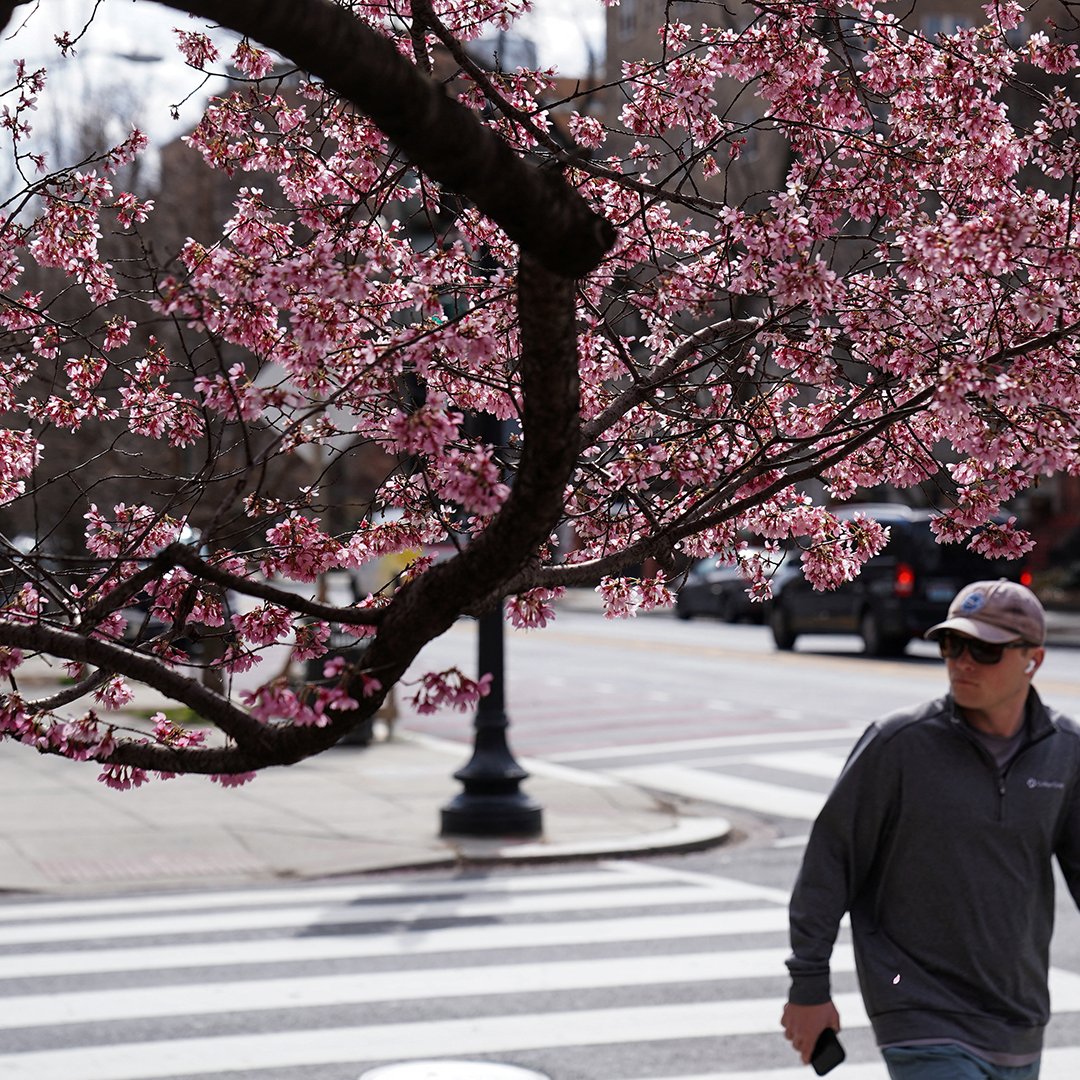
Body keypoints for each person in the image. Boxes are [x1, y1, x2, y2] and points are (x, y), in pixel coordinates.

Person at [780, 579, 1080, 1079]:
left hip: (1018, 1012)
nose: (962, 661)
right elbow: (830, 863)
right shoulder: (898, 743)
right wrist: (808, 986)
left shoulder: (1066, 749)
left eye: (984, 650)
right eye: (951, 644)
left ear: (1034, 659)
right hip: (917, 1006)